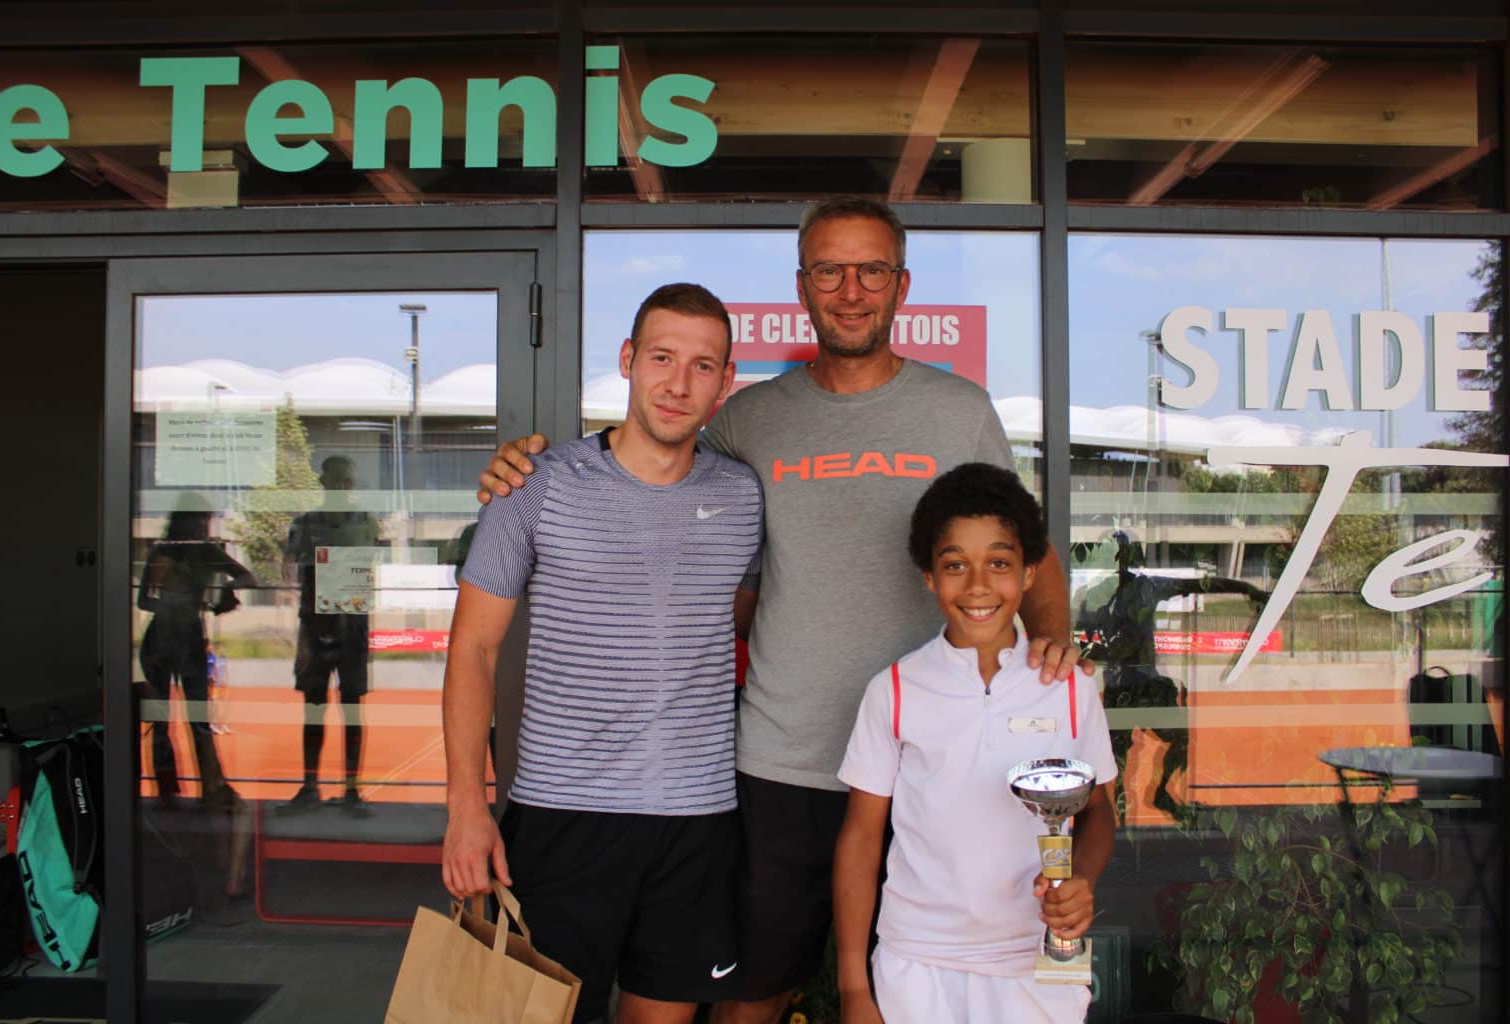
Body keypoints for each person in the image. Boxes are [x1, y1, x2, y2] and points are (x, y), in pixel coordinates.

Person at [479, 197, 1087, 1022]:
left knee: (927, 988)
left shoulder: (961, 410)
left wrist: (1050, 651)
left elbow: (1027, 547)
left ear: (901, 285)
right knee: (748, 1002)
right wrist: (526, 468)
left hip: (932, 764)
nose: (850, 289)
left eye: (870, 269)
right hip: (780, 769)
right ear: (802, 286)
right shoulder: (745, 419)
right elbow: (656, 473)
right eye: (829, 270)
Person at [443, 283, 765, 1024]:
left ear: (724, 382)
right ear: (627, 360)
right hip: (563, 817)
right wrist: (466, 805)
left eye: (702, 365)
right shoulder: (535, 485)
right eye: (661, 356)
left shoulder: (745, 498)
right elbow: (473, 651)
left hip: (699, 821)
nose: (678, 383)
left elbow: (738, 621)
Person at [834, 463, 1116, 1024]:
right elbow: (862, 840)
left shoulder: (1069, 686)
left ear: (1030, 573)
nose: (979, 585)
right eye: (955, 565)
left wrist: (1080, 880)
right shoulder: (893, 689)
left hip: (1036, 962)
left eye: (1000, 564)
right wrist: (853, 989)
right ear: (929, 577)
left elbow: (1100, 812)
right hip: (918, 962)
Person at [1077, 531, 1267, 818]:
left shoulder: (1144, 588)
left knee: (1175, 740)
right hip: (1123, 689)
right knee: (1116, 759)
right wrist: (1106, 650)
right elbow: (1083, 643)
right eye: (1121, 554)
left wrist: (1244, 587)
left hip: (1145, 686)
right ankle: (1117, 814)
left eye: (1128, 553)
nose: (1124, 561)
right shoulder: (1100, 595)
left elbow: (1202, 585)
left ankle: (1156, 794)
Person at [279, 455, 381, 817]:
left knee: (352, 707)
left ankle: (352, 789)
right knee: (313, 707)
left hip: (351, 625)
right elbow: (290, 571)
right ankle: (310, 786)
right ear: (323, 483)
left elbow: (371, 570)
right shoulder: (304, 525)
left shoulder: (366, 522)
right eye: (335, 481)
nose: (341, 488)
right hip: (315, 624)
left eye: (347, 482)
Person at [138, 505, 256, 811]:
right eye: (199, 519)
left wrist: (225, 591)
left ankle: (209, 789)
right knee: (164, 720)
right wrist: (188, 603)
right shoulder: (171, 551)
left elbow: (247, 577)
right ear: (185, 521)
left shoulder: (204, 551)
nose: (204, 525)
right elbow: (144, 600)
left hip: (184, 636)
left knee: (196, 719)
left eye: (205, 519)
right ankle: (171, 791)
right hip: (165, 638)